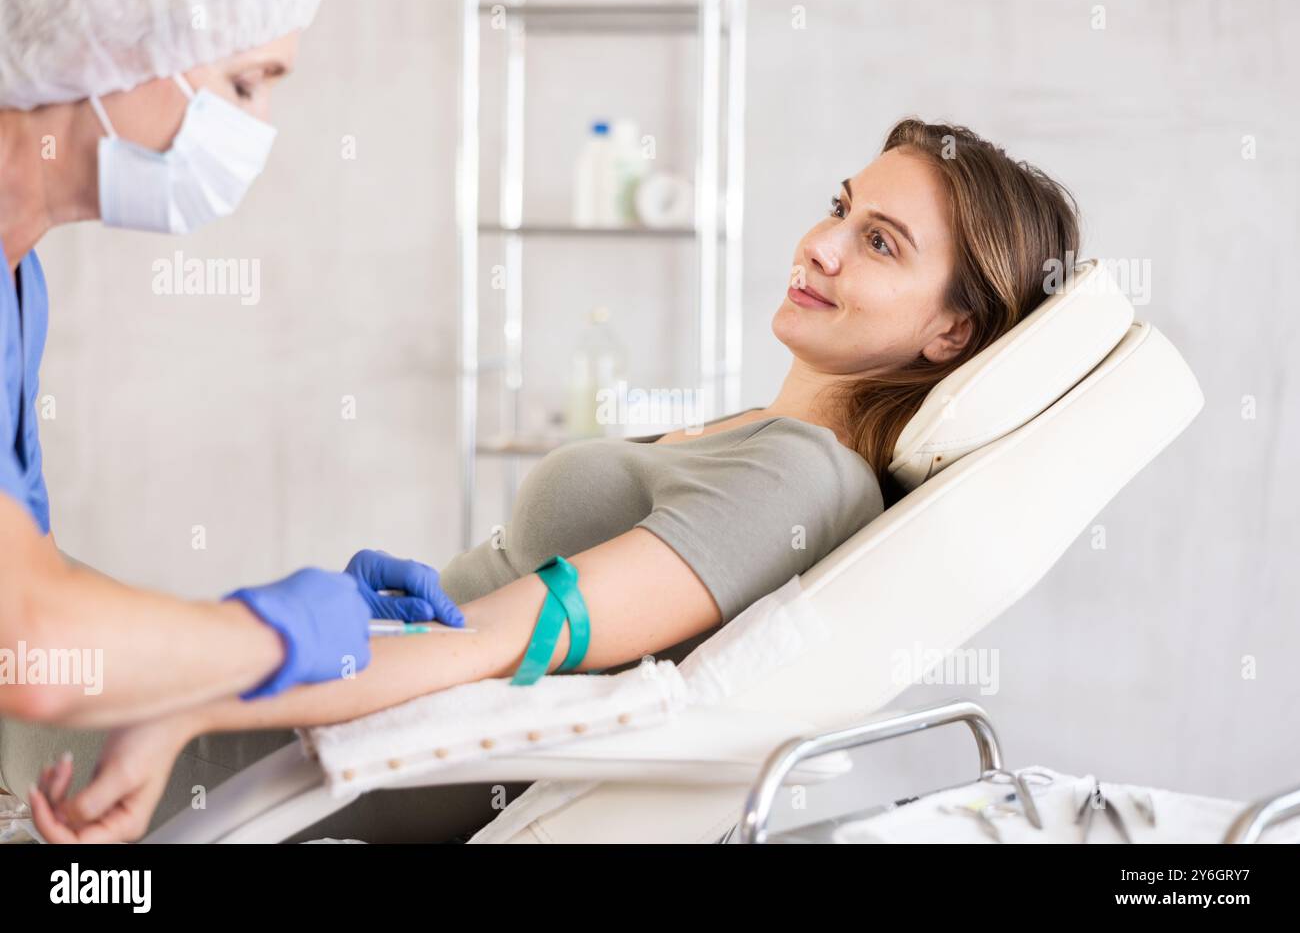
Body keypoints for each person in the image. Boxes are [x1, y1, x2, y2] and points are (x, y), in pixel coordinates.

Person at [31, 117, 1082, 842]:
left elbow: (499, 649)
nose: (821, 247)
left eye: (879, 242)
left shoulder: (797, 478)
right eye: (840, 208)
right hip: (289, 700)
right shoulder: (764, 432)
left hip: (273, 750)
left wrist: (182, 703)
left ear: (951, 327)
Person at [0, 0, 462, 789]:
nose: (257, 130)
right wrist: (273, 638)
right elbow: (25, 643)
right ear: (100, 45)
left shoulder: (19, 283)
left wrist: (198, 665)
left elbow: (34, 583)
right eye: (243, 84)